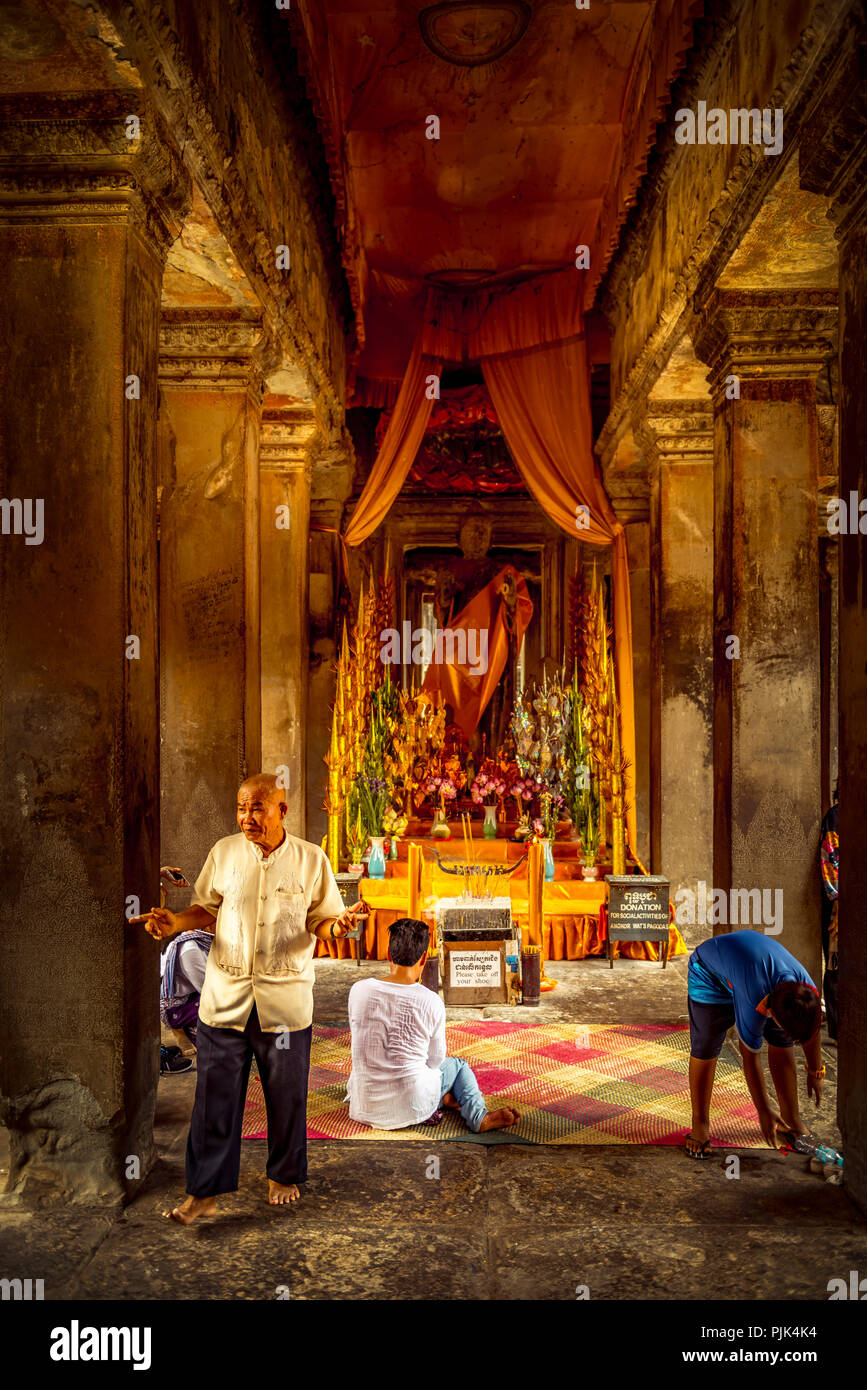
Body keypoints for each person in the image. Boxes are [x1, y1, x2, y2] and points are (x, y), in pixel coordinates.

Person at [131, 773, 367, 1223]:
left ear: (281, 810)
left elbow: (323, 919)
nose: (247, 817)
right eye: (241, 808)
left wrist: (338, 927)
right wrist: (175, 922)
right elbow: (207, 908)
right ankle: (205, 1191)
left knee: (286, 1094)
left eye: (257, 808)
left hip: (285, 999)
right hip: (226, 995)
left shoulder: (310, 860)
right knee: (213, 1098)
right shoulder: (223, 852)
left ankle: (283, 1173)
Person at [347, 917, 520, 1133]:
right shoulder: (431, 1001)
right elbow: (436, 1060)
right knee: (458, 1066)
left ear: (388, 955)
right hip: (412, 1104)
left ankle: (441, 1097)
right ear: (424, 959)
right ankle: (478, 1116)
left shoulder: (359, 990)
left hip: (364, 1105)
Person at [684, 928, 824, 1159]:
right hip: (709, 973)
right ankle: (700, 1124)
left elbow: (813, 1029)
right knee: (706, 1046)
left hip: (748, 966)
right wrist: (763, 1109)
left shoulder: (806, 991)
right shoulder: (755, 998)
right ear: (768, 1011)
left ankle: (791, 1119)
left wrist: (815, 1071)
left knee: (781, 1040)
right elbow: (750, 1057)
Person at [820, 785, 839, 1041]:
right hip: (839, 906)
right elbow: (830, 859)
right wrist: (837, 899)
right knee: (836, 964)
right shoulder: (836, 817)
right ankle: (838, 1027)